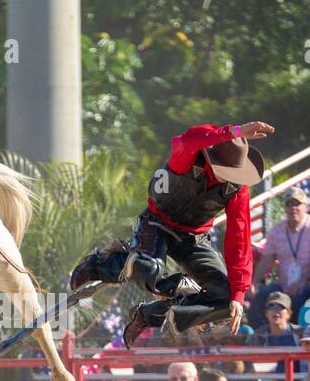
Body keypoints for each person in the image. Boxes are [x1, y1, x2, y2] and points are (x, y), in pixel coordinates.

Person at [70, 121, 273, 346]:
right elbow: (186, 140)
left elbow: (239, 238)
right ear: (211, 158)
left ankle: (149, 315)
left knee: (227, 299)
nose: (229, 177)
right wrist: (232, 132)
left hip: (193, 238)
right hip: (157, 223)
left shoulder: (238, 188)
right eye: (226, 170)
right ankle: (98, 264)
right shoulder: (188, 156)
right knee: (149, 269)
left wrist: (238, 294)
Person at [249, 186, 310, 326]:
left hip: (309, 283)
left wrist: (301, 282)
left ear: (306, 206)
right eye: (289, 204)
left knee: (305, 298)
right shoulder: (276, 230)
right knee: (261, 296)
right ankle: (260, 335)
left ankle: (303, 333)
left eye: (297, 203)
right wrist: (254, 283)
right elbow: (266, 259)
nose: (293, 207)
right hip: (283, 285)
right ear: (284, 208)